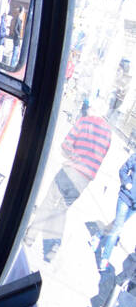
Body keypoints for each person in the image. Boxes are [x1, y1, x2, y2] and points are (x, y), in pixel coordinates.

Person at [23, 99, 112, 264]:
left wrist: (72, 156)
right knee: (61, 210)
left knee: (48, 203)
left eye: (90, 108)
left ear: (94, 109)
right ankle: (51, 250)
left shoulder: (84, 122)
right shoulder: (108, 132)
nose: (87, 110)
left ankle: (29, 237)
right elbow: (101, 155)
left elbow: (66, 145)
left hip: (70, 170)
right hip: (84, 180)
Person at [95, 147, 136, 272]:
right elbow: (123, 170)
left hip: (134, 205)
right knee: (117, 228)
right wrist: (127, 183)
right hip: (125, 197)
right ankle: (105, 258)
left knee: (118, 223)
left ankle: (97, 236)